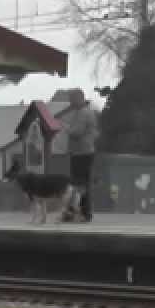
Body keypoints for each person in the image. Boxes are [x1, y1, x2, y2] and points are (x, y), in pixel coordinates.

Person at [62, 88, 99, 223]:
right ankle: (75, 212)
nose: (70, 102)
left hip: (82, 153)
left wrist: (65, 127)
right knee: (78, 184)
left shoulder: (84, 113)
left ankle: (83, 212)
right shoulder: (81, 112)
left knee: (80, 184)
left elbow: (77, 132)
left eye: (71, 99)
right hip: (82, 152)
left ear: (79, 98)